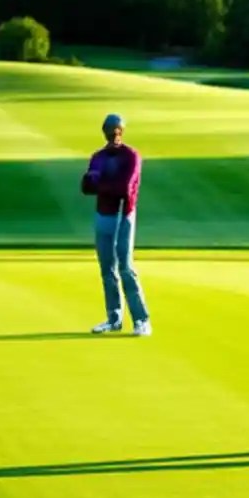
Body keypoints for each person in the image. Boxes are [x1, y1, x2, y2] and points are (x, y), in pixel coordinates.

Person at [81, 113, 152, 336]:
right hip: (104, 215)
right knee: (107, 269)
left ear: (122, 131)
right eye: (110, 131)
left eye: (117, 130)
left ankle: (142, 320)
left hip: (124, 215)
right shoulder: (98, 157)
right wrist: (103, 184)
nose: (114, 135)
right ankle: (114, 318)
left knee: (125, 267)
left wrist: (101, 184)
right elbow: (86, 186)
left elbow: (125, 188)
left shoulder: (131, 156)